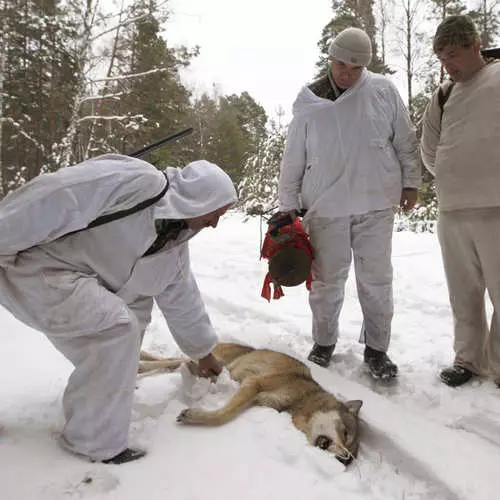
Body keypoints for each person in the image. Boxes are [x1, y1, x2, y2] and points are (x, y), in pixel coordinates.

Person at [0, 153, 237, 463]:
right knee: (117, 327)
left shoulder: (175, 242)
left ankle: (99, 410)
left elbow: (182, 298)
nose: (215, 224)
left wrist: (204, 353)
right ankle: (92, 442)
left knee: (132, 321)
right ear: (199, 198)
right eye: (215, 213)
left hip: (76, 282)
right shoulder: (137, 184)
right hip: (39, 270)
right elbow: (55, 194)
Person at [278, 27, 420, 378]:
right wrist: (287, 204)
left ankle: (377, 349)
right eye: (340, 64)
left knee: (376, 280)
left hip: (375, 201)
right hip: (326, 206)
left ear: (364, 67)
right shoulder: (310, 103)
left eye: (355, 68)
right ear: (330, 58)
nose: (346, 73)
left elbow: (404, 139)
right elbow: (293, 158)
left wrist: (412, 182)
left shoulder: (382, 91)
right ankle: (323, 342)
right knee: (326, 280)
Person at [421, 15, 500, 388]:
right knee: (463, 294)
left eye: (453, 54)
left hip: (496, 208)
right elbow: (429, 150)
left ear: (474, 45)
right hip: (452, 211)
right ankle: (469, 360)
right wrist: (458, 174)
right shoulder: (443, 94)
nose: (447, 65)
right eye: (441, 58)